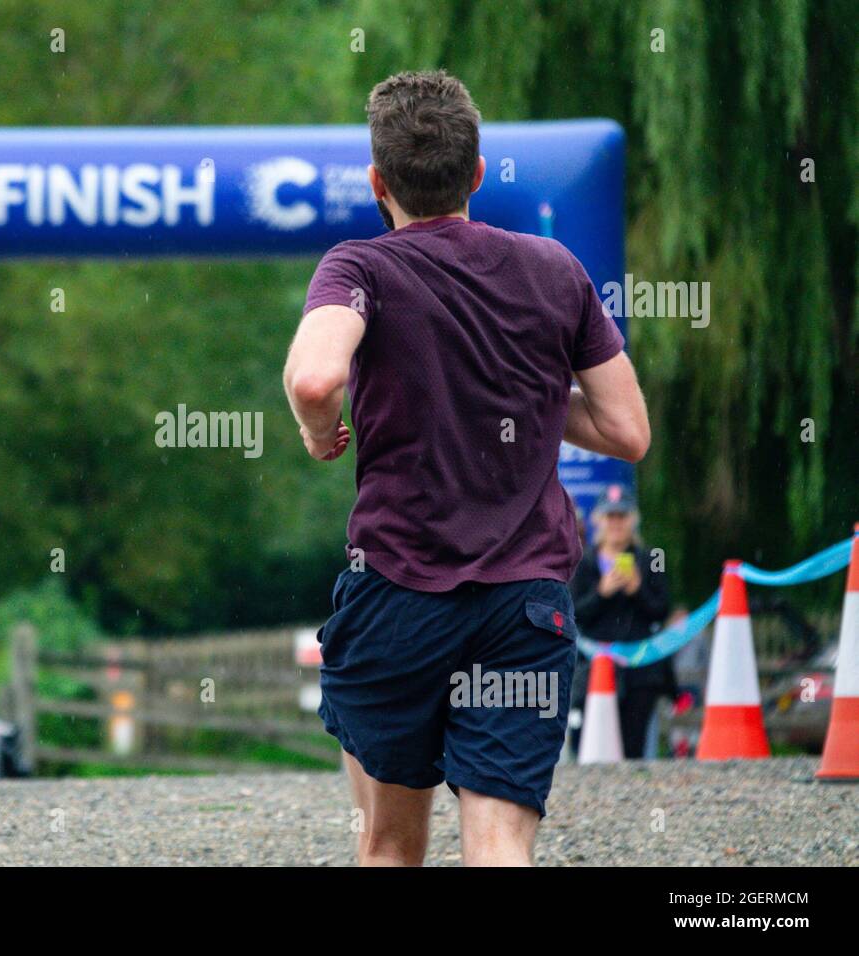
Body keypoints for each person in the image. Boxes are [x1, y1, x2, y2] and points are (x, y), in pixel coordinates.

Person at [283, 70, 649, 866]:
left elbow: (315, 377)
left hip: (398, 600)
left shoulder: (360, 268)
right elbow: (627, 430)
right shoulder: (556, 270)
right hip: (526, 605)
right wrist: (537, 396)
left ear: (378, 183)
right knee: (498, 842)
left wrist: (320, 431)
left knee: (388, 844)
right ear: (477, 173)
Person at [570, 485, 673, 759]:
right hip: (592, 669)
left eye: (622, 516)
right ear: (598, 521)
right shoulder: (583, 562)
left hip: (640, 669)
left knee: (633, 747)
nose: (616, 523)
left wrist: (637, 590)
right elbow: (571, 613)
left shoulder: (651, 559)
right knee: (588, 747)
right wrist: (601, 593)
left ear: (632, 520)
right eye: (610, 516)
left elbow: (661, 611)